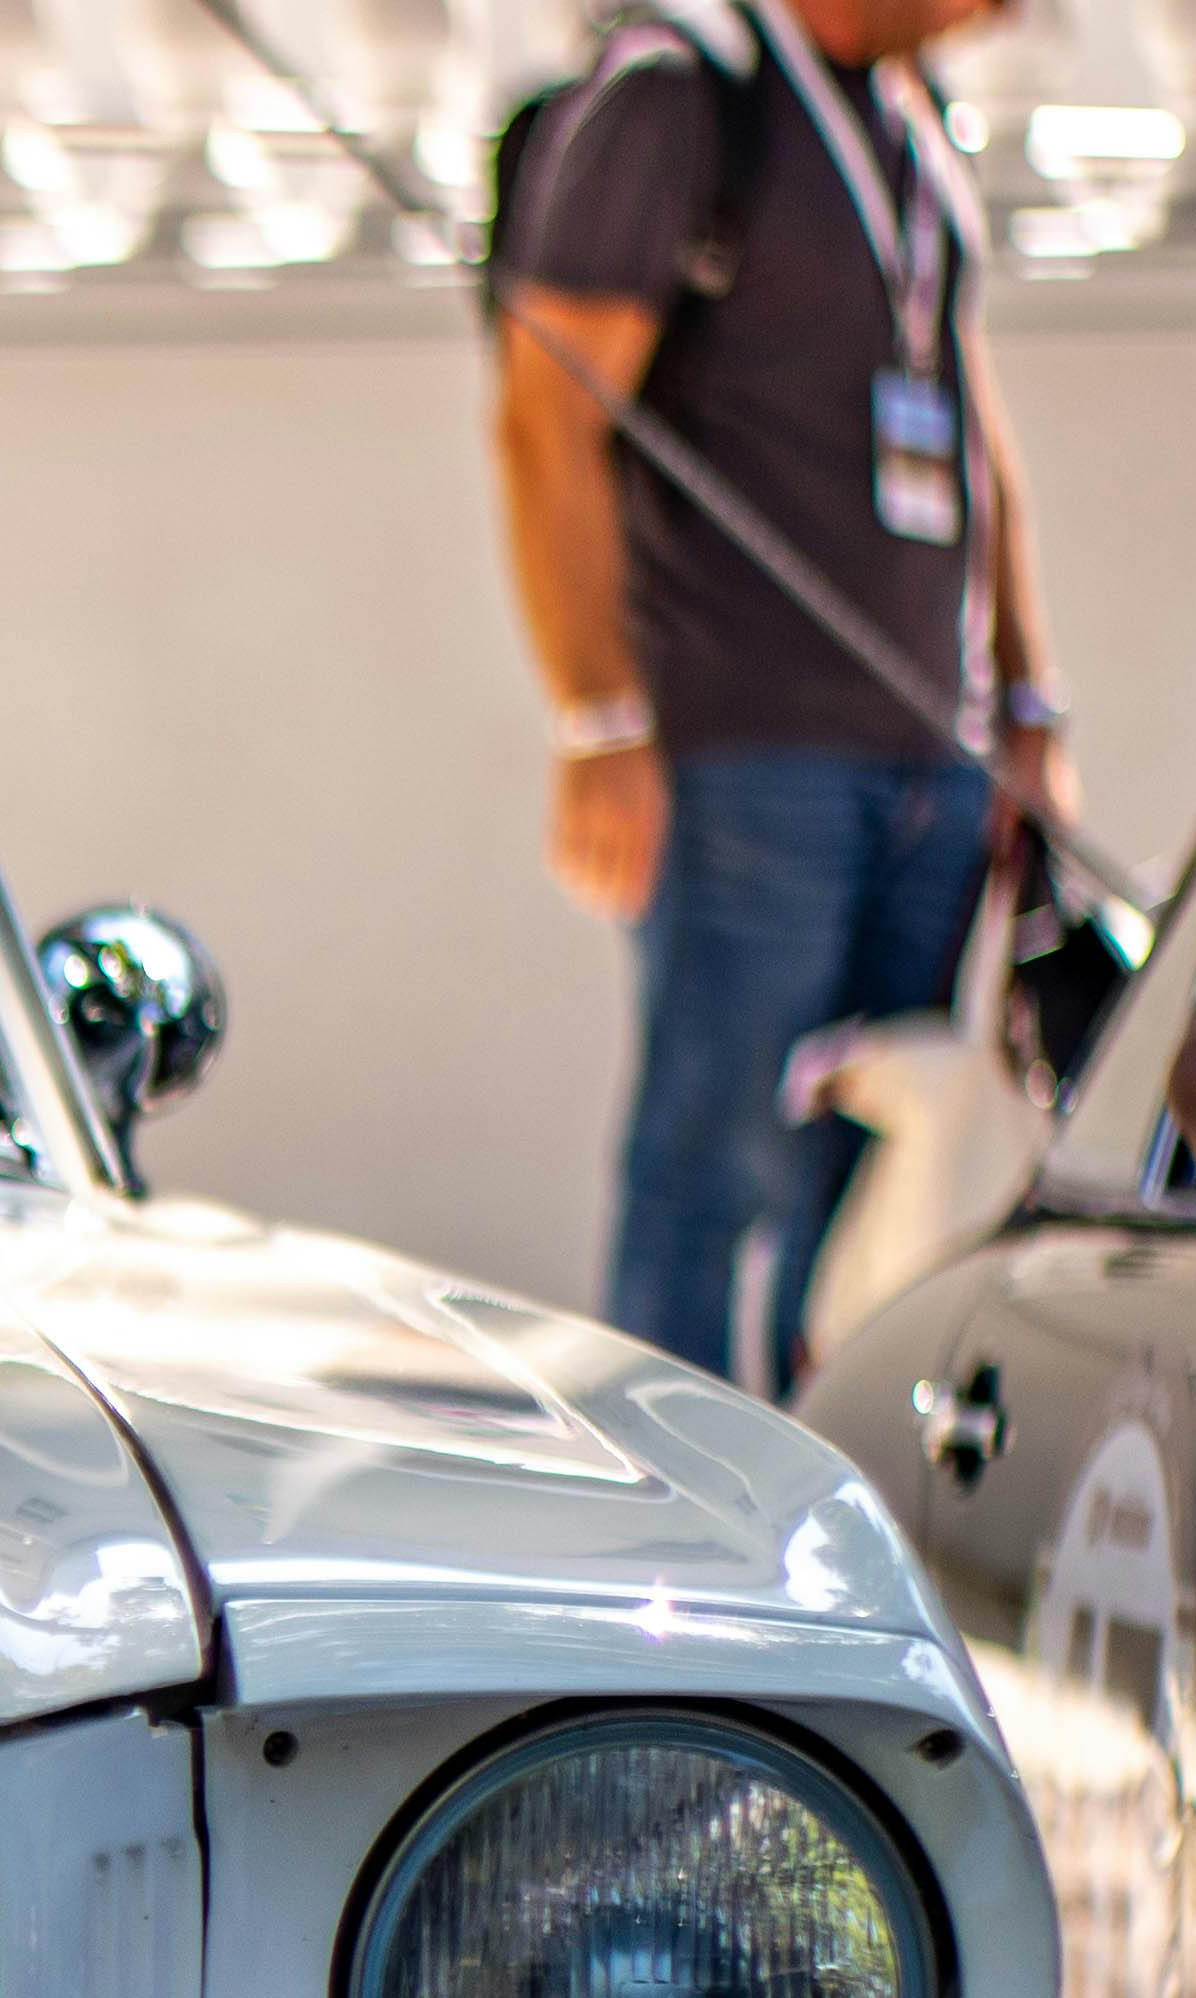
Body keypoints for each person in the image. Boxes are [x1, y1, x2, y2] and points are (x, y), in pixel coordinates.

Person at [488, 0, 1072, 1394]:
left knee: (870, 1200)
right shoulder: (687, 87)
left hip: (932, 762)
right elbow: (544, 412)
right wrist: (599, 721)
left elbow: (973, 434)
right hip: (748, 758)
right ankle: (671, 1550)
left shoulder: (916, 119)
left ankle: (828, 1522)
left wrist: (1029, 705)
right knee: (711, 1179)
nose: (1010, 19)